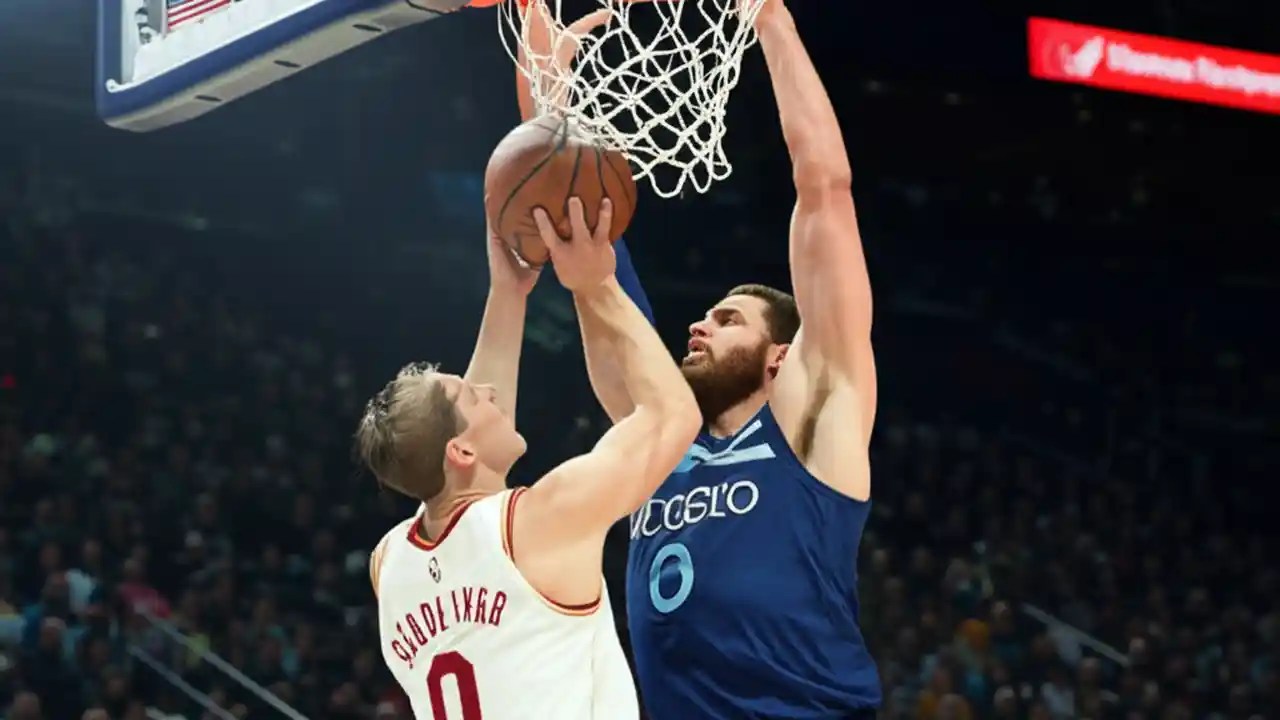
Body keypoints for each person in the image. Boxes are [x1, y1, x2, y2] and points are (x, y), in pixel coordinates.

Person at [544, 0, 882, 716]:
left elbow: (825, 192)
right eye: (702, 316)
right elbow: (594, 274)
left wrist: (771, 20)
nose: (697, 328)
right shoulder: (656, 439)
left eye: (727, 320)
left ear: (779, 359)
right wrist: (550, 99)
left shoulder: (814, 421)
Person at [357, 197, 699, 718]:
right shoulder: (540, 521)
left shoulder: (391, 561)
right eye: (473, 395)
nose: (489, 393)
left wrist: (508, 294)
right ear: (460, 450)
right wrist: (597, 285)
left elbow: (458, 473)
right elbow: (675, 416)